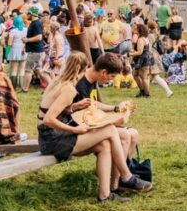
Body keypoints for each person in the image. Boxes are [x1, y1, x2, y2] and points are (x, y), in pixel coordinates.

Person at [37, 51, 145, 202]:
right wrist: (75, 129)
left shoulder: (58, 82)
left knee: (104, 145)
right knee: (110, 130)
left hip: (50, 136)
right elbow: (48, 119)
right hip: (52, 140)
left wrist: (73, 107)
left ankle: (105, 195)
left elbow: (50, 110)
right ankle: (126, 177)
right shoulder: (69, 89)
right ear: (80, 70)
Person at [22, 6, 46, 92]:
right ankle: (51, 85)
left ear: (32, 14)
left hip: (35, 50)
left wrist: (27, 40)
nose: (27, 15)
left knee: (28, 70)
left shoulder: (36, 24)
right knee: (38, 70)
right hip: (36, 50)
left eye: (28, 13)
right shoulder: (34, 23)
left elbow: (39, 37)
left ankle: (24, 89)